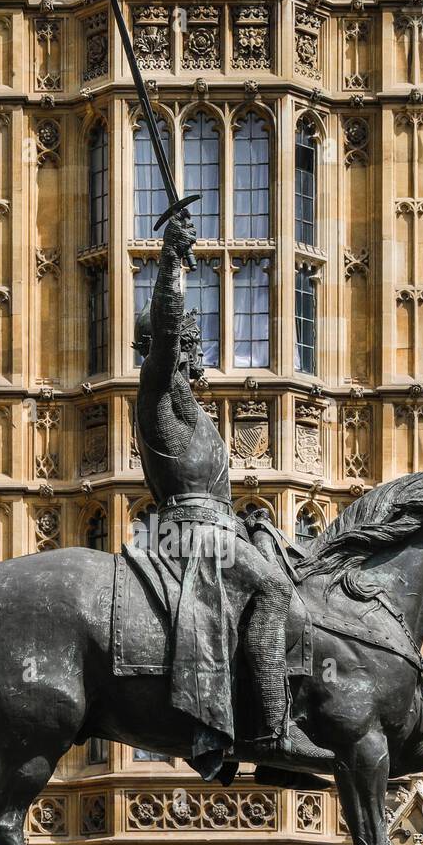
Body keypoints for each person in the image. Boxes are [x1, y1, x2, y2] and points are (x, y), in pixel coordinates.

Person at [133, 210, 294, 780]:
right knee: (272, 589)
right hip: (188, 535)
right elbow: (167, 326)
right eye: (189, 340)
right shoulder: (157, 399)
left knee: (288, 570)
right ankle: (274, 736)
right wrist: (173, 262)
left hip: (218, 530)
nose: (197, 346)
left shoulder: (194, 415)